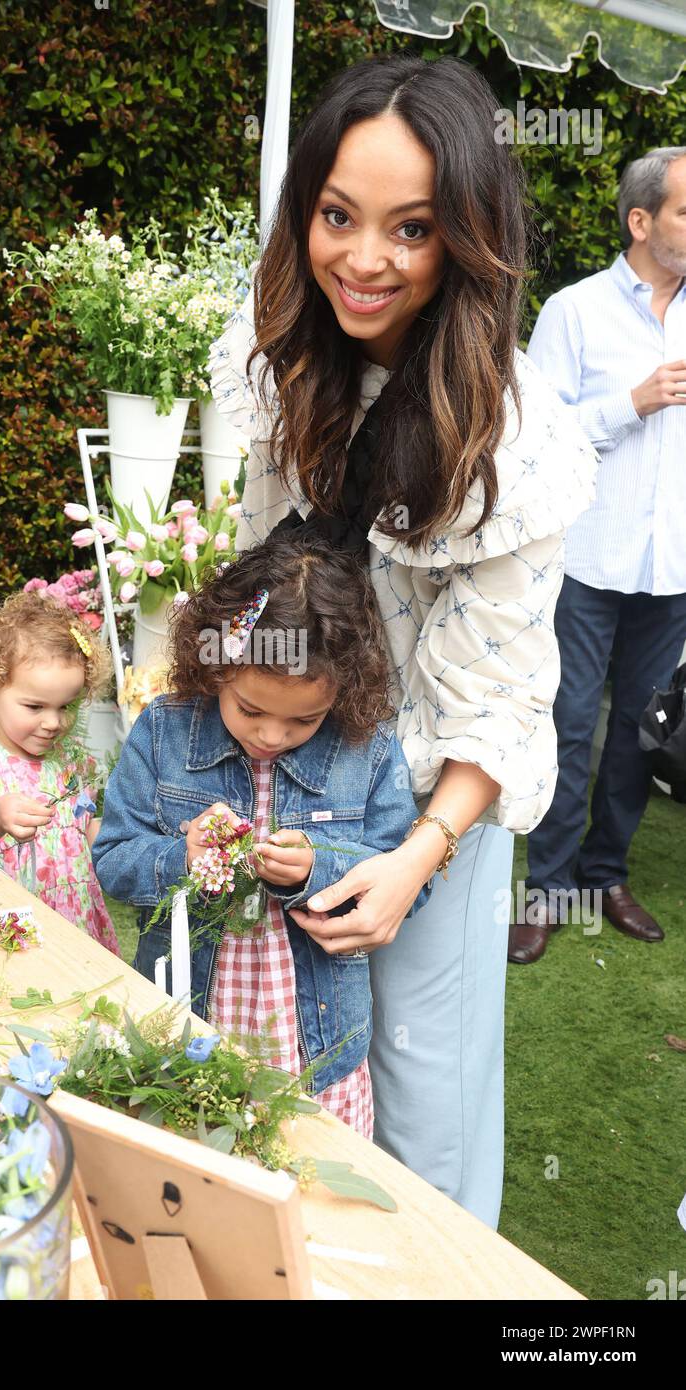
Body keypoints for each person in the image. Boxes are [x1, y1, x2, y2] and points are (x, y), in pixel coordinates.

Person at [206, 54, 598, 1226]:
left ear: (464, 238)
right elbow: (258, 581)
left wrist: (415, 856)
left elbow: (501, 693)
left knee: (422, 1108)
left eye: (410, 228)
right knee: (274, 1065)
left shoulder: (511, 437)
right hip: (293, 777)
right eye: (337, 215)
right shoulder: (275, 355)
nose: (362, 258)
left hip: (437, 811)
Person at [91, 532, 431, 1137]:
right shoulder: (165, 732)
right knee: (189, 1163)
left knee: (311, 1181)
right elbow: (114, 858)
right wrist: (181, 857)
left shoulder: (370, 749)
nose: (272, 736)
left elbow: (407, 883)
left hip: (316, 1045)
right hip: (188, 1022)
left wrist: (316, 870)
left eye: (303, 719)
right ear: (217, 667)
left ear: (342, 691)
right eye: (250, 710)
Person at [510, 146, 686, 965]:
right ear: (641, 220)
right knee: (570, 725)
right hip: (585, 560)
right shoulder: (573, 312)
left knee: (643, 737)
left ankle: (606, 873)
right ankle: (548, 888)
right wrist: (632, 402)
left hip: (674, 568)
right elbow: (534, 440)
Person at [0, 590, 119, 953]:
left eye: (65, 706)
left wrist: (117, 841)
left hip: (77, 921)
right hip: (10, 924)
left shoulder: (70, 760)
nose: (53, 722)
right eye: (34, 706)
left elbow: (82, 826)